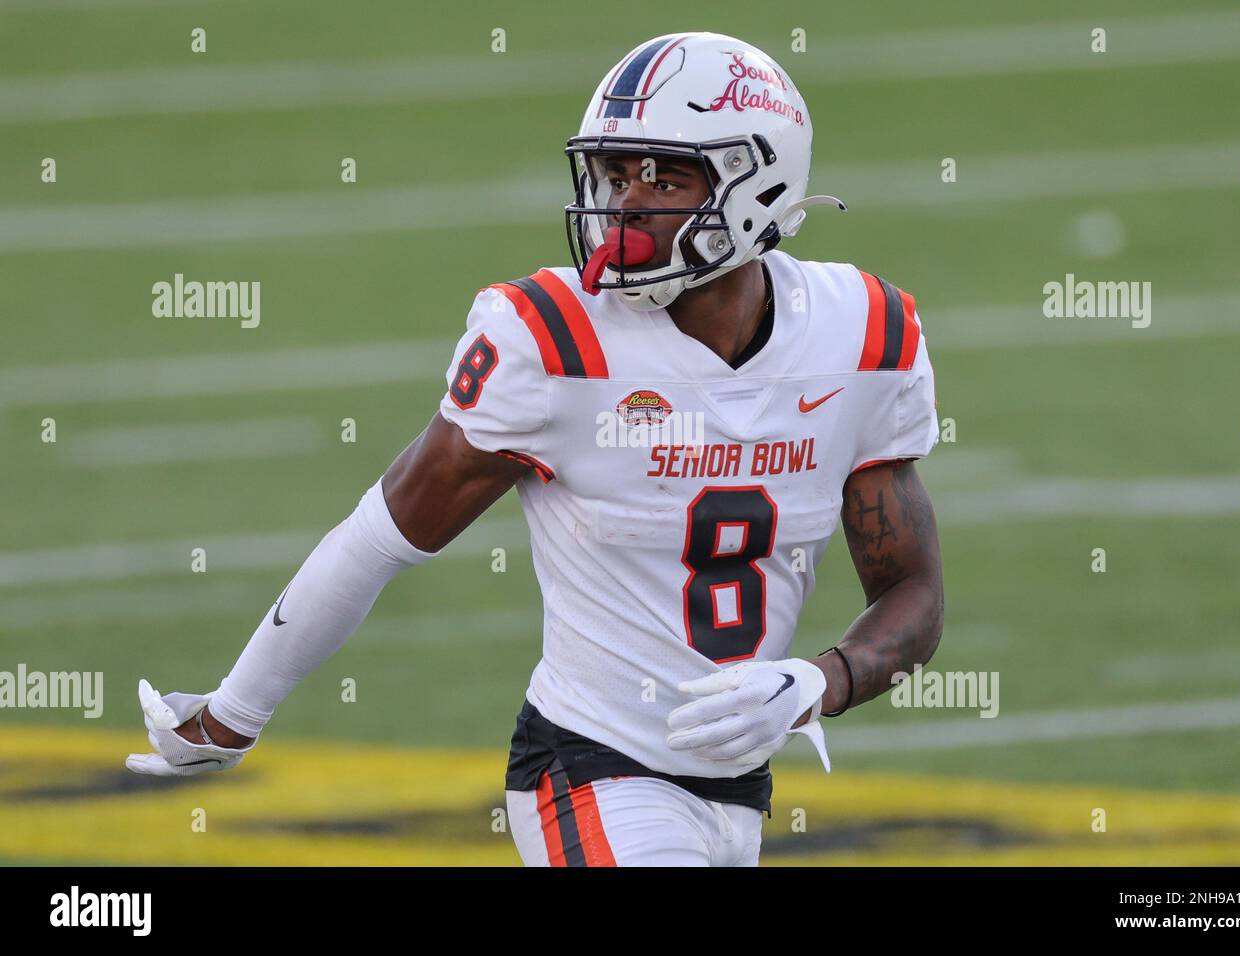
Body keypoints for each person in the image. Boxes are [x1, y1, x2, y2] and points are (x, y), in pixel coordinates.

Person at [126, 31, 944, 867]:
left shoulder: (863, 334)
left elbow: (913, 590)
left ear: (758, 180)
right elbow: (380, 537)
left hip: (740, 792)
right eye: (617, 173)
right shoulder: (553, 342)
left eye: (665, 176)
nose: (627, 203)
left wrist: (820, 682)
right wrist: (236, 711)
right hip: (590, 769)